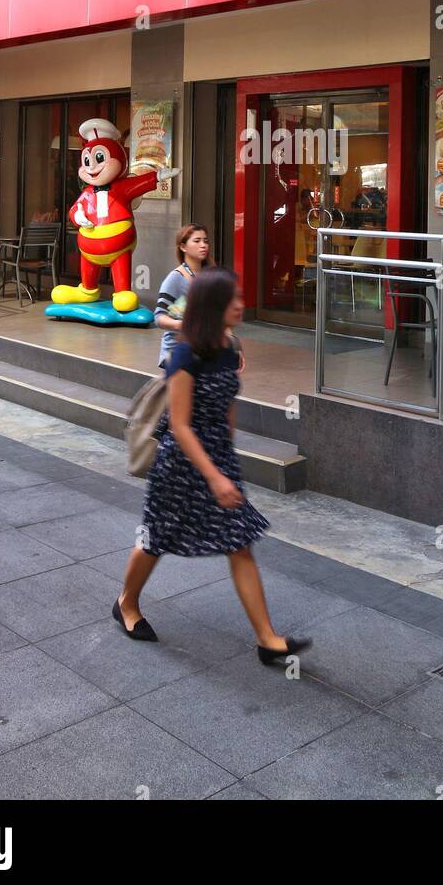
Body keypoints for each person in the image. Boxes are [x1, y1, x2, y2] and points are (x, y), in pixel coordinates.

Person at [114, 268, 310, 666]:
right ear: (214, 305)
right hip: (181, 465)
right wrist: (215, 475)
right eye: (233, 299)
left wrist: (228, 457)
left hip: (218, 458)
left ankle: (267, 639)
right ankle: (126, 603)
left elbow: (227, 404)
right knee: (155, 540)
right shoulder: (184, 355)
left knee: (240, 545)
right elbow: (182, 426)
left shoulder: (229, 346)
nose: (241, 304)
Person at [154, 225, 213, 367]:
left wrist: (233, 344)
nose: (203, 245)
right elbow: (159, 317)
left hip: (205, 349)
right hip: (179, 351)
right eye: (197, 241)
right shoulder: (176, 278)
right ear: (183, 247)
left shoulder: (210, 275)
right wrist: (181, 324)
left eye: (205, 241)